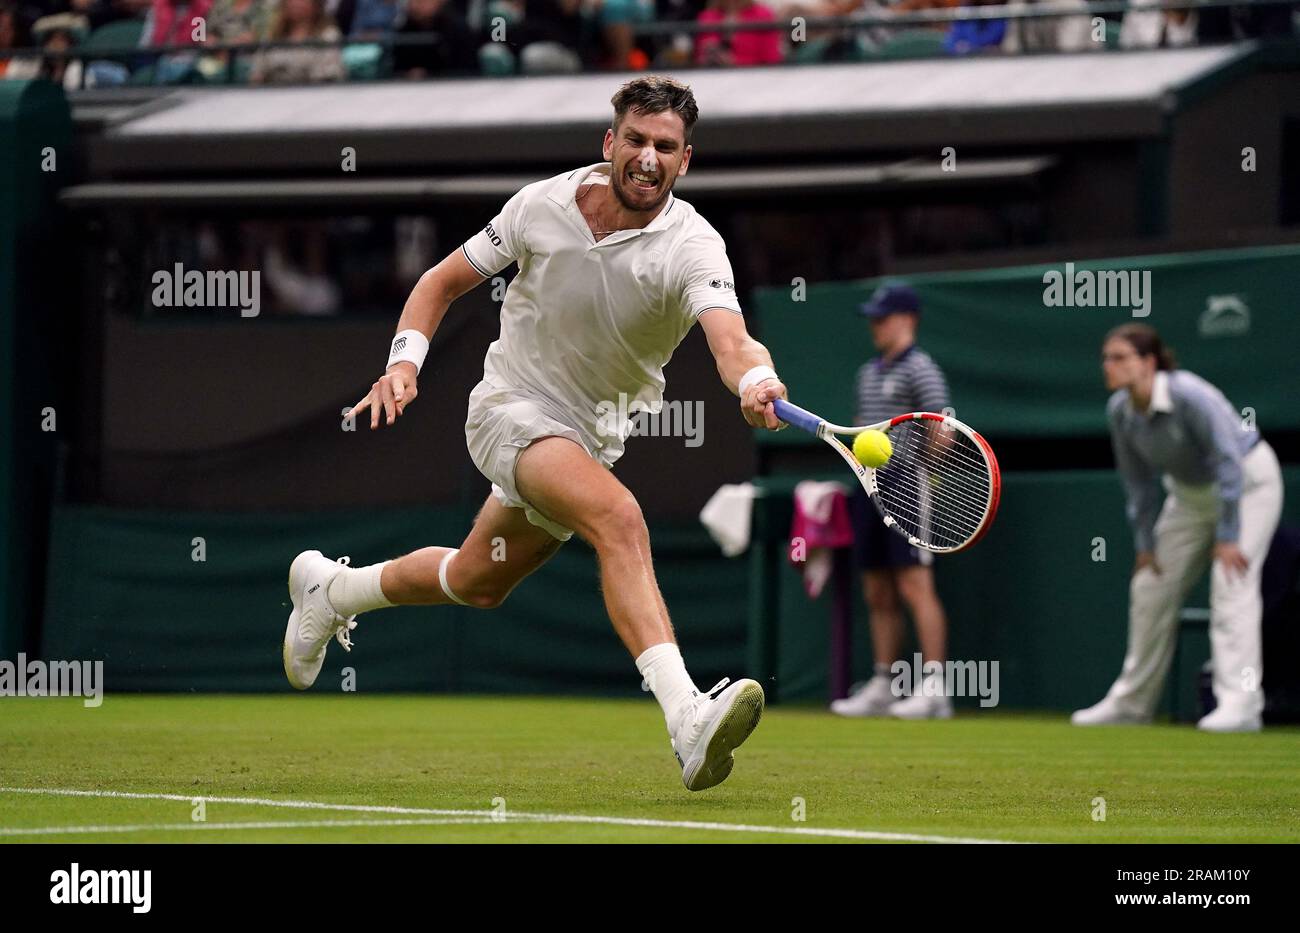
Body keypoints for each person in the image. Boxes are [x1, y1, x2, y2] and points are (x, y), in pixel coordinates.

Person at [282, 76, 783, 791]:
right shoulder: (540, 206)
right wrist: (403, 363)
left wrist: (757, 381)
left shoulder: (694, 246)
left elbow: (732, 343)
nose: (648, 157)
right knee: (619, 517)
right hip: (508, 410)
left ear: (685, 160)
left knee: (477, 578)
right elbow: (438, 284)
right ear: (610, 143)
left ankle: (332, 591)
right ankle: (686, 717)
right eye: (636, 140)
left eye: (665, 147)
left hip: (587, 439)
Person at [1073, 324, 1283, 733]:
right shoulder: (1119, 411)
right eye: (1105, 358)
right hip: (1188, 498)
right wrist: (1146, 544)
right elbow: (1138, 484)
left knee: (1231, 581)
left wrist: (1227, 536)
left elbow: (1228, 464)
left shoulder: (1191, 395)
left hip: (1248, 485)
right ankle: (1132, 703)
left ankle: (1241, 705)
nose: (1109, 366)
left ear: (1149, 362)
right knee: (1149, 585)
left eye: (1119, 357)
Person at [830, 283, 955, 719]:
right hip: (871, 486)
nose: (875, 326)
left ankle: (936, 688)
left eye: (883, 318)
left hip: (910, 483)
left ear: (908, 319)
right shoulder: (867, 372)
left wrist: (923, 459)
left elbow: (945, 428)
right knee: (877, 586)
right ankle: (884, 684)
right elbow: (863, 428)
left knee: (914, 585)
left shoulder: (922, 369)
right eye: (873, 318)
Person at [249, 0, 344, 83]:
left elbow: (327, 75)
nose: (295, 3)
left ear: (316, 4)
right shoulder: (273, 35)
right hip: (269, 95)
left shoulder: (328, 35)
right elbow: (258, 72)